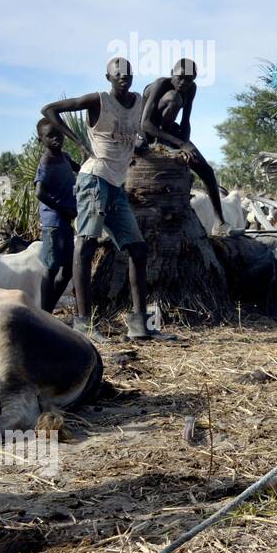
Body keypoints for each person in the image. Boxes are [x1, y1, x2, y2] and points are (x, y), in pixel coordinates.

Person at [41, 57, 166, 341]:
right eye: (117, 73)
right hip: (94, 179)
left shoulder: (137, 104)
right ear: (108, 77)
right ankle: (83, 322)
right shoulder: (98, 101)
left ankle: (139, 324)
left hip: (116, 186)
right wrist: (79, 142)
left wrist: (143, 146)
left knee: (138, 249)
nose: (123, 76)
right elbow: (49, 110)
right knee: (86, 244)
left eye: (127, 73)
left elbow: (135, 137)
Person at [139, 58, 235, 234]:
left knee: (206, 170)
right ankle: (160, 143)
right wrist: (180, 143)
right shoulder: (160, 84)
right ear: (171, 73)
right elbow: (144, 124)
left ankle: (220, 222)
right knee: (174, 98)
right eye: (180, 77)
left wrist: (186, 146)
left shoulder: (192, 88)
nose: (183, 83)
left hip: (170, 132)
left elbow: (185, 121)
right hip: (147, 131)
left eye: (189, 79)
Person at [34, 118, 79, 312]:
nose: (56, 139)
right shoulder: (46, 162)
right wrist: (62, 208)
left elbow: (82, 169)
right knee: (51, 268)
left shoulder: (65, 157)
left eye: (58, 134)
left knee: (68, 269)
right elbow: (40, 192)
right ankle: (45, 313)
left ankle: (48, 308)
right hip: (53, 221)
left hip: (66, 220)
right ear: (40, 139)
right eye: (50, 136)